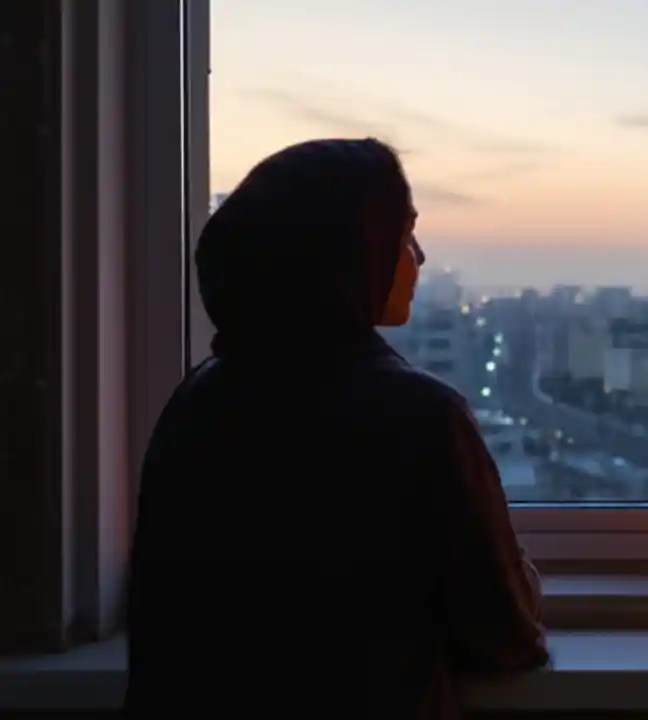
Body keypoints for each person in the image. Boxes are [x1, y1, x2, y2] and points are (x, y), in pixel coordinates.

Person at [124, 138, 548, 718]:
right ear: (350, 256)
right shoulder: (421, 418)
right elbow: (507, 633)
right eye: (403, 237)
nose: (419, 257)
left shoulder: (196, 406)